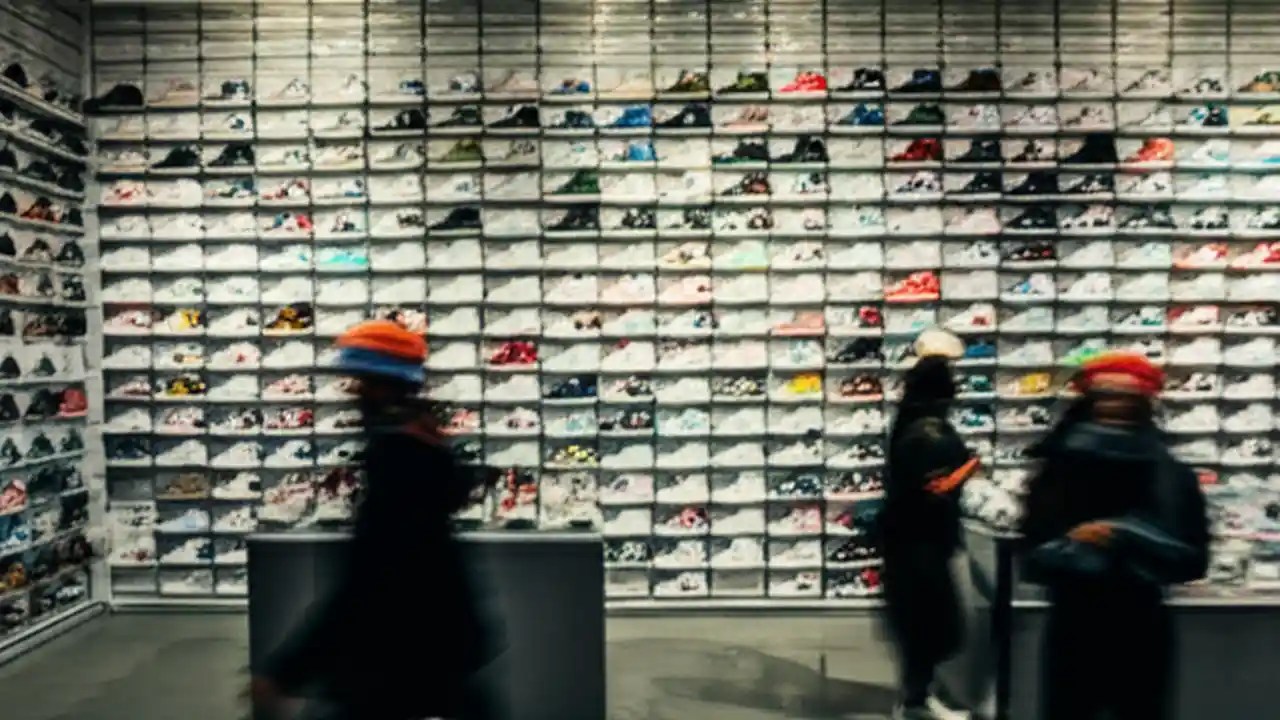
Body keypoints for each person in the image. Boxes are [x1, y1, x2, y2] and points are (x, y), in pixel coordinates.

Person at [251, 320, 501, 720]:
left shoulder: (398, 459)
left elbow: (368, 577)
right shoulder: (423, 443)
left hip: (396, 652)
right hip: (436, 640)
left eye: (361, 382)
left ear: (382, 386)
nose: (353, 391)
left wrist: (288, 669)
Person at [1020, 352, 1210, 720]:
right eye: (1106, 396)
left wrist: (1124, 537)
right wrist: (1076, 546)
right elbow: (1031, 558)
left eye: (1125, 397)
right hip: (1078, 626)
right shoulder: (1059, 470)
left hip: (1136, 627)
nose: (1115, 406)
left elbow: (1194, 560)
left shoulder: (1170, 475)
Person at [880, 328, 980, 720]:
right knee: (933, 624)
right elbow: (936, 487)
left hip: (909, 537)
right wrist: (970, 467)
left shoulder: (908, 421)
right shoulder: (928, 430)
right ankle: (916, 702)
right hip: (921, 540)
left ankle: (917, 697)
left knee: (923, 623)